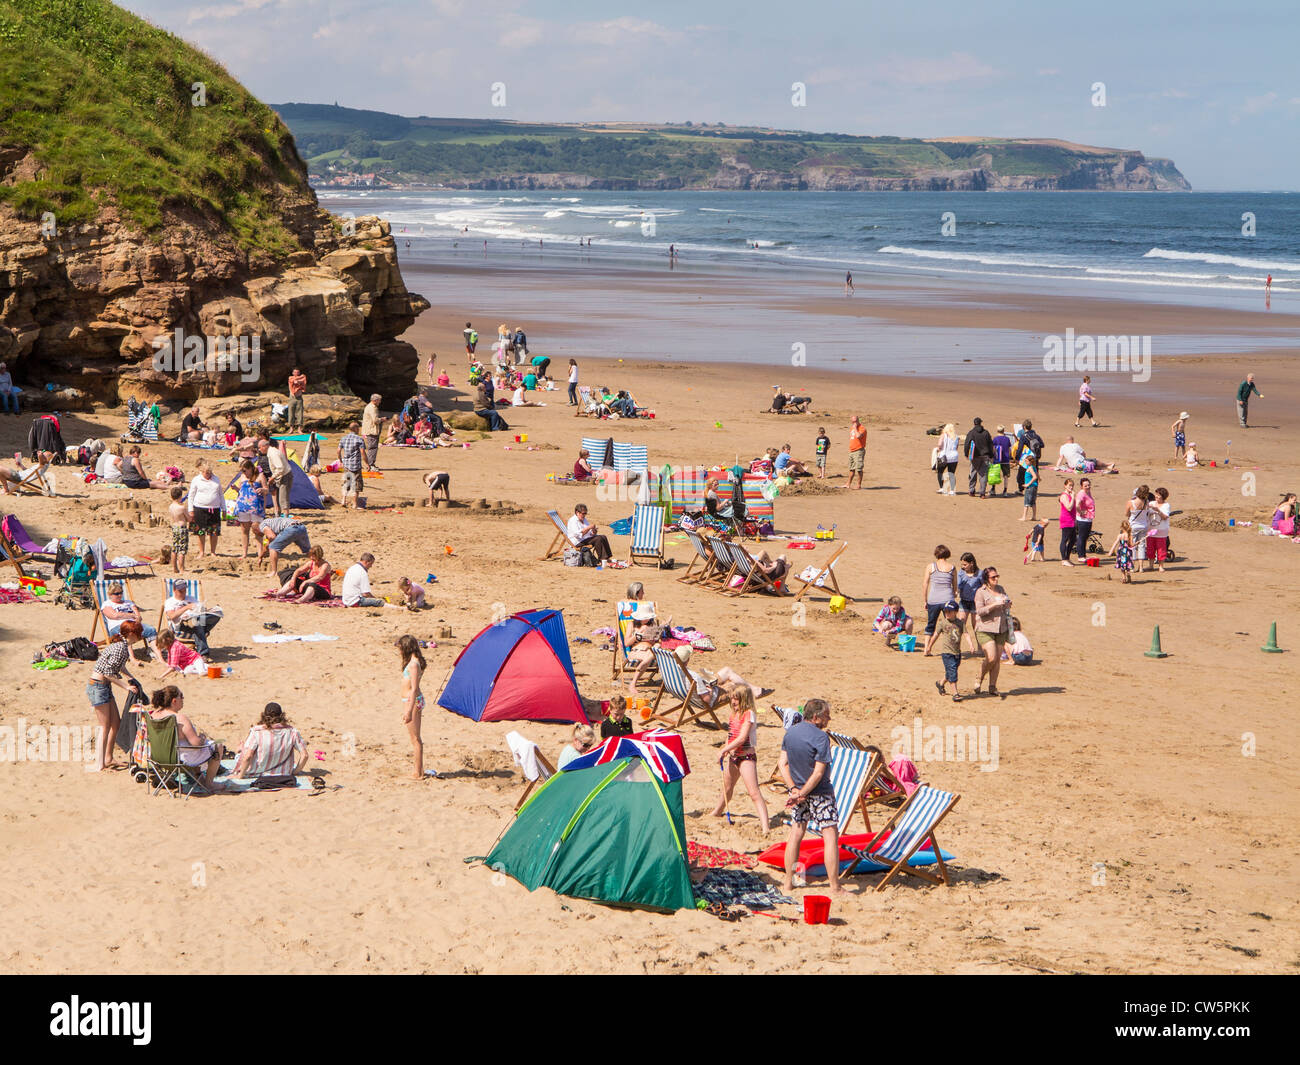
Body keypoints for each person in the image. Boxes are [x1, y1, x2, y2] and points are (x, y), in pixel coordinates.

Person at [778, 698, 845, 897]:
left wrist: (794, 790)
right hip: (820, 793)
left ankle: (788, 883)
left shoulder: (790, 733)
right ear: (815, 717)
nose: (829, 719)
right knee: (830, 837)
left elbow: (782, 764)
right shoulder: (821, 737)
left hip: (798, 792)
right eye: (826, 716)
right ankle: (835, 887)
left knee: (796, 834)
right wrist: (803, 792)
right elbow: (817, 773)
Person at [87, 621, 145, 772]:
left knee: (116, 724)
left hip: (104, 686)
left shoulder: (123, 646)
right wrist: (126, 687)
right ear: (132, 634)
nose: (140, 636)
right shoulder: (120, 647)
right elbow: (108, 672)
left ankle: (108, 758)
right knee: (105, 727)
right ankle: (99, 764)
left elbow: (119, 666)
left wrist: (130, 678)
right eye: (139, 634)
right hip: (98, 686)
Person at [712, 686, 770, 833]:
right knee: (727, 788)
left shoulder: (749, 714)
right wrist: (726, 749)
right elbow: (731, 734)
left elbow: (742, 737)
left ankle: (765, 826)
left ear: (744, 699)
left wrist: (724, 750)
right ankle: (717, 812)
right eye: (731, 698)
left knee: (753, 792)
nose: (733, 702)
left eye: (736, 698)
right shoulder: (734, 715)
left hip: (746, 757)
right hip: (733, 757)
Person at [148, 686, 223, 790]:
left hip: (158, 758)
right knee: (218, 746)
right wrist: (202, 737)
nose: (183, 699)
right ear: (174, 701)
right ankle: (209, 784)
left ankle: (198, 778)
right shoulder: (180, 718)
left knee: (188, 747)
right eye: (181, 696)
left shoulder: (154, 715)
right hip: (178, 760)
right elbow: (196, 743)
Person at [232, 703, 308, 778]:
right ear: (282, 716)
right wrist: (294, 772)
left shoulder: (257, 732)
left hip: (255, 772)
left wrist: (240, 775)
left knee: (240, 754)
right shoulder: (292, 732)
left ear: (264, 716)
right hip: (282, 773)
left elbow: (248, 757)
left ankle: (240, 750)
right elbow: (305, 755)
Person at [973, 566, 1013, 697]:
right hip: (985, 628)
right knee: (991, 657)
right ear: (986, 579)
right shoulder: (981, 592)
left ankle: (992, 686)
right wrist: (994, 605)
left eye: (997, 576)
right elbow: (979, 611)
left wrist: (1007, 604)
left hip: (1001, 628)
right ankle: (979, 677)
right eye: (993, 577)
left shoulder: (1001, 589)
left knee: (996, 661)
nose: (996, 579)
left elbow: (1006, 604)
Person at [396, 635, 429, 780]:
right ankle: (419, 770)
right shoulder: (413, 662)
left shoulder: (414, 665)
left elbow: (414, 688)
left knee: (415, 739)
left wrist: (408, 711)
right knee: (415, 738)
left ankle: (418, 773)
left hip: (413, 701)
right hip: (410, 700)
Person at [921, 544, 959, 655]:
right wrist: (955, 593)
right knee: (951, 624)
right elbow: (955, 586)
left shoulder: (931, 566)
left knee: (930, 624)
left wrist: (925, 600)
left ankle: (926, 649)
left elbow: (925, 584)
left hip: (933, 599)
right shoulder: (952, 567)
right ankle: (952, 648)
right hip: (947, 599)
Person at [163, 584, 221, 655]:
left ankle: (200, 626)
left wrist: (203, 609)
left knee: (216, 615)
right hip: (181, 626)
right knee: (197, 623)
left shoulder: (191, 598)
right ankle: (203, 654)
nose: (183, 593)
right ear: (174, 590)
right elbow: (172, 616)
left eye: (184, 591)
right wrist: (186, 607)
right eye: (180, 591)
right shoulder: (170, 601)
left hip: (196, 620)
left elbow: (200, 609)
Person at [100, 581, 159, 650]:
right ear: (110, 594)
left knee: (151, 630)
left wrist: (136, 620)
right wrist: (131, 615)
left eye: (121, 592)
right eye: (116, 594)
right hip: (118, 626)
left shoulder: (129, 602)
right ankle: (132, 658)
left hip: (134, 625)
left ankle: (156, 654)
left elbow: (138, 616)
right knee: (128, 634)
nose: (120, 595)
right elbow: (115, 616)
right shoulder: (107, 604)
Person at [230, 459, 267, 558]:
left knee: (257, 531)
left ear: (251, 468)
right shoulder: (242, 477)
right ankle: (244, 553)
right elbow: (241, 491)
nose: (244, 473)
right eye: (242, 471)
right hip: (243, 507)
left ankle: (260, 553)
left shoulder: (260, 476)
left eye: (245, 470)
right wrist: (235, 489)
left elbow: (266, 490)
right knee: (244, 530)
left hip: (256, 507)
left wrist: (262, 489)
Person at [186, 460, 223, 558]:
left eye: (209, 472)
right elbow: (191, 495)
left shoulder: (216, 479)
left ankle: (213, 551)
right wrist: (190, 510)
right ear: (202, 471)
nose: (208, 474)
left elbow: (221, 495)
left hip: (214, 509)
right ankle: (201, 552)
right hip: (199, 508)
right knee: (200, 532)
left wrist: (224, 509)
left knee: (214, 532)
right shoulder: (196, 480)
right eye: (206, 472)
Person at [933, 600, 965, 701]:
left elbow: (966, 633)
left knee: (951, 670)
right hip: (947, 652)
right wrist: (929, 646)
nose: (947, 613)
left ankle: (940, 683)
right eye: (945, 611)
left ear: (955, 612)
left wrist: (971, 645)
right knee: (952, 671)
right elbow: (936, 634)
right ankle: (955, 693)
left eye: (949, 611)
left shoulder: (960, 623)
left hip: (957, 652)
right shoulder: (943, 623)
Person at [1125, 485, 1153, 573]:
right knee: (1141, 546)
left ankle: (1132, 566)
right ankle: (1141, 567)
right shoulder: (1147, 502)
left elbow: (1126, 514)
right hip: (1143, 525)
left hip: (1133, 525)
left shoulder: (1131, 502)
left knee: (1132, 546)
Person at [337, 421, 365, 508]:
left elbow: (338, 451)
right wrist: (367, 463)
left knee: (347, 483)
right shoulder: (359, 439)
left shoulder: (343, 438)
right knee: (357, 484)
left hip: (346, 464)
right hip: (355, 464)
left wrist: (340, 461)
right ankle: (354, 504)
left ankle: (343, 500)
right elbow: (363, 452)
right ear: (356, 429)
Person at [964, 417, 993, 497]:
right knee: (983, 475)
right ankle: (982, 493)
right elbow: (990, 444)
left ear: (974, 423)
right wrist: (991, 455)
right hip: (985, 456)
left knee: (973, 472)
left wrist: (966, 454)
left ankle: (971, 490)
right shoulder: (986, 433)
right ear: (981, 423)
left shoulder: (971, 432)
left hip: (974, 456)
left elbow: (967, 444)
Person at [1148, 487, 1172, 572]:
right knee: (1150, 548)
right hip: (1151, 529)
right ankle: (1151, 565)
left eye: (1159, 496)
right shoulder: (1151, 503)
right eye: (1156, 495)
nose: (1156, 497)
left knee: (1161, 549)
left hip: (1161, 530)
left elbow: (1165, 517)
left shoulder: (1166, 505)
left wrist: (1158, 510)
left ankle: (1161, 566)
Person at [1074, 477, 1096, 560]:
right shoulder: (1081, 494)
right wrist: (1081, 512)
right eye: (1085, 486)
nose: (1088, 487)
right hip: (1082, 520)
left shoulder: (1088, 492)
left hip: (1088, 518)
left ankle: (1083, 554)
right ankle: (1081, 556)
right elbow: (1076, 505)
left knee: (1085, 537)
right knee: (1082, 537)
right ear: (1081, 486)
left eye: (1088, 485)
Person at [1058, 478, 1078, 565]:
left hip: (1072, 520)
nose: (1071, 487)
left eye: (1072, 485)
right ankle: (1064, 559)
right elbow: (1069, 507)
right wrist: (1073, 497)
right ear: (1065, 485)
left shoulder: (1069, 495)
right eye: (1070, 485)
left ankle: (1067, 557)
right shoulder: (1064, 496)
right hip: (1066, 519)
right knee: (1065, 539)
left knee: (1073, 539)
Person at [844, 415, 867, 490]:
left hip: (859, 450)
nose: (854, 423)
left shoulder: (862, 428)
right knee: (851, 468)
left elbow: (858, 436)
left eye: (855, 421)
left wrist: (855, 428)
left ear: (858, 420)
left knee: (859, 468)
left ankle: (858, 485)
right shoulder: (851, 428)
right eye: (853, 422)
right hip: (852, 451)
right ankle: (848, 484)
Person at [361, 394, 382, 472]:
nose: (380, 402)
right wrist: (382, 419)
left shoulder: (369, 406)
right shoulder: (372, 408)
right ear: (375, 400)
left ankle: (370, 464)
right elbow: (375, 420)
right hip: (371, 431)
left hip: (368, 430)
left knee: (372, 448)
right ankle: (371, 465)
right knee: (372, 448)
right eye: (379, 400)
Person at [990, 425, 1012, 497]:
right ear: (1003, 430)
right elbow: (1009, 449)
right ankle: (1005, 491)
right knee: (1006, 476)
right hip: (1005, 459)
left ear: (997, 431)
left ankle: (993, 489)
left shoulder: (995, 439)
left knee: (995, 474)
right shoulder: (1007, 439)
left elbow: (993, 449)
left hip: (997, 459)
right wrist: (1009, 457)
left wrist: (992, 457)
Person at [1019, 447, 1039, 522]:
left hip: (1030, 487)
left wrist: (1027, 484)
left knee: (1026, 502)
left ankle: (1024, 517)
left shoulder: (1030, 468)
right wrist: (1039, 479)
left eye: (1026, 461)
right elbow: (1037, 474)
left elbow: (1034, 476)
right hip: (1034, 486)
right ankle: (1034, 516)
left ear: (1030, 462)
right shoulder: (1033, 467)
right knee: (1033, 502)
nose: (1025, 462)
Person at [287, 367, 307, 432]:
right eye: (295, 372)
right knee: (291, 412)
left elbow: (303, 381)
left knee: (300, 413)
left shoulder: (302, 378)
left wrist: (299, 380)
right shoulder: (290, 377)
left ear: (299, 373)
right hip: (292, 398)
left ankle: (299, 429)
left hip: (299, 398)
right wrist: (299, 380)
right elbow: (293, 381)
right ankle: (291, 428)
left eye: (298, 372)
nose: (296, 373)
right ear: (293, 373)